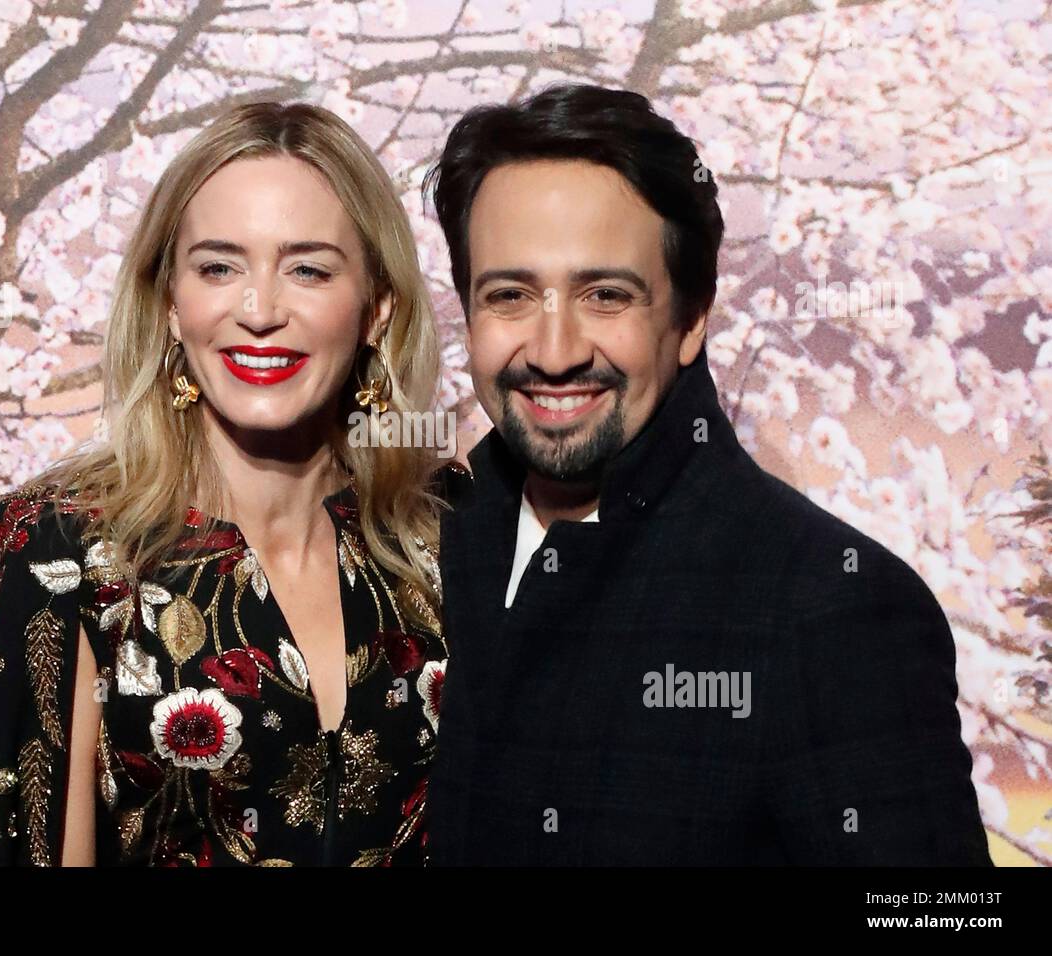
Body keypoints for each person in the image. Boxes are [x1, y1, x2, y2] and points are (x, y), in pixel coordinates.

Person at [421, 83, 992, 864]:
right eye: (511, 295)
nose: (554, 352)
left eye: (606, 294)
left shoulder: (830, 607)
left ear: (691, 319)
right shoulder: (414, 547)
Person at [0, 101, 465, 866]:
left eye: (309, 269)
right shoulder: (54, 549)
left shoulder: (449, 530)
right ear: (168, 302)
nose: (259, 311)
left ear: (375, 310)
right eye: (219, 266)